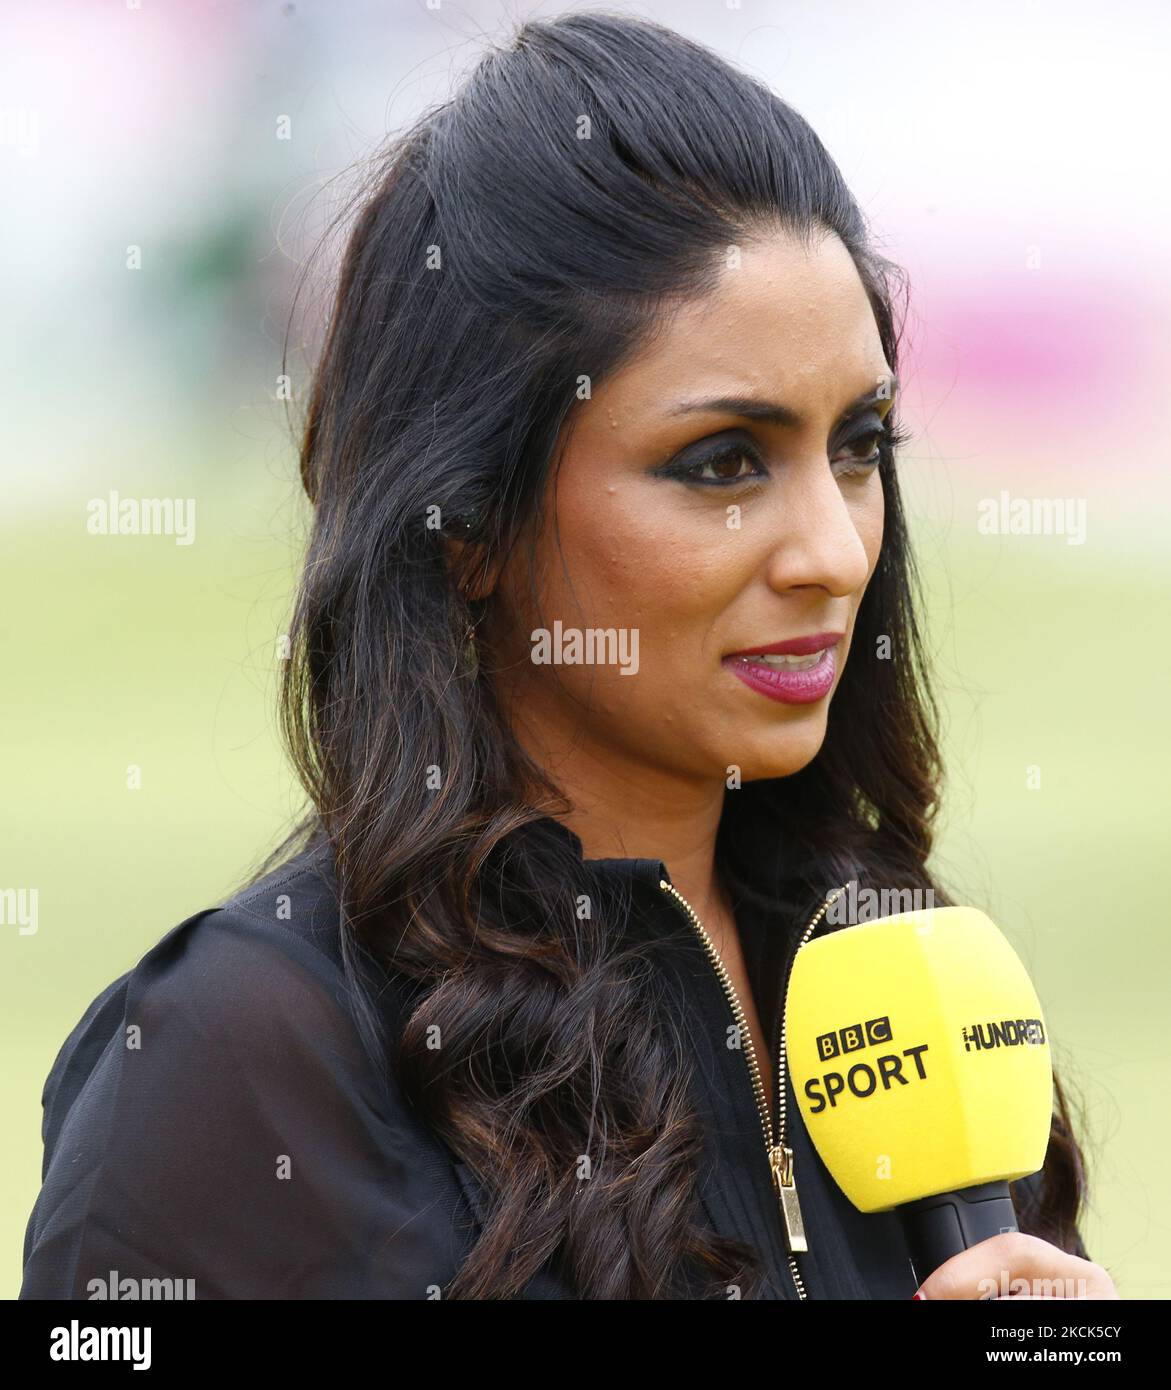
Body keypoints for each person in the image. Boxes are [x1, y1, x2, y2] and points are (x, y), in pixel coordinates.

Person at [20, 11, 1115, 1301]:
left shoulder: (905, 985)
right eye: (722, 463)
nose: (832, 547)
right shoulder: (245, 1058)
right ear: (469, 523)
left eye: (861, 444)